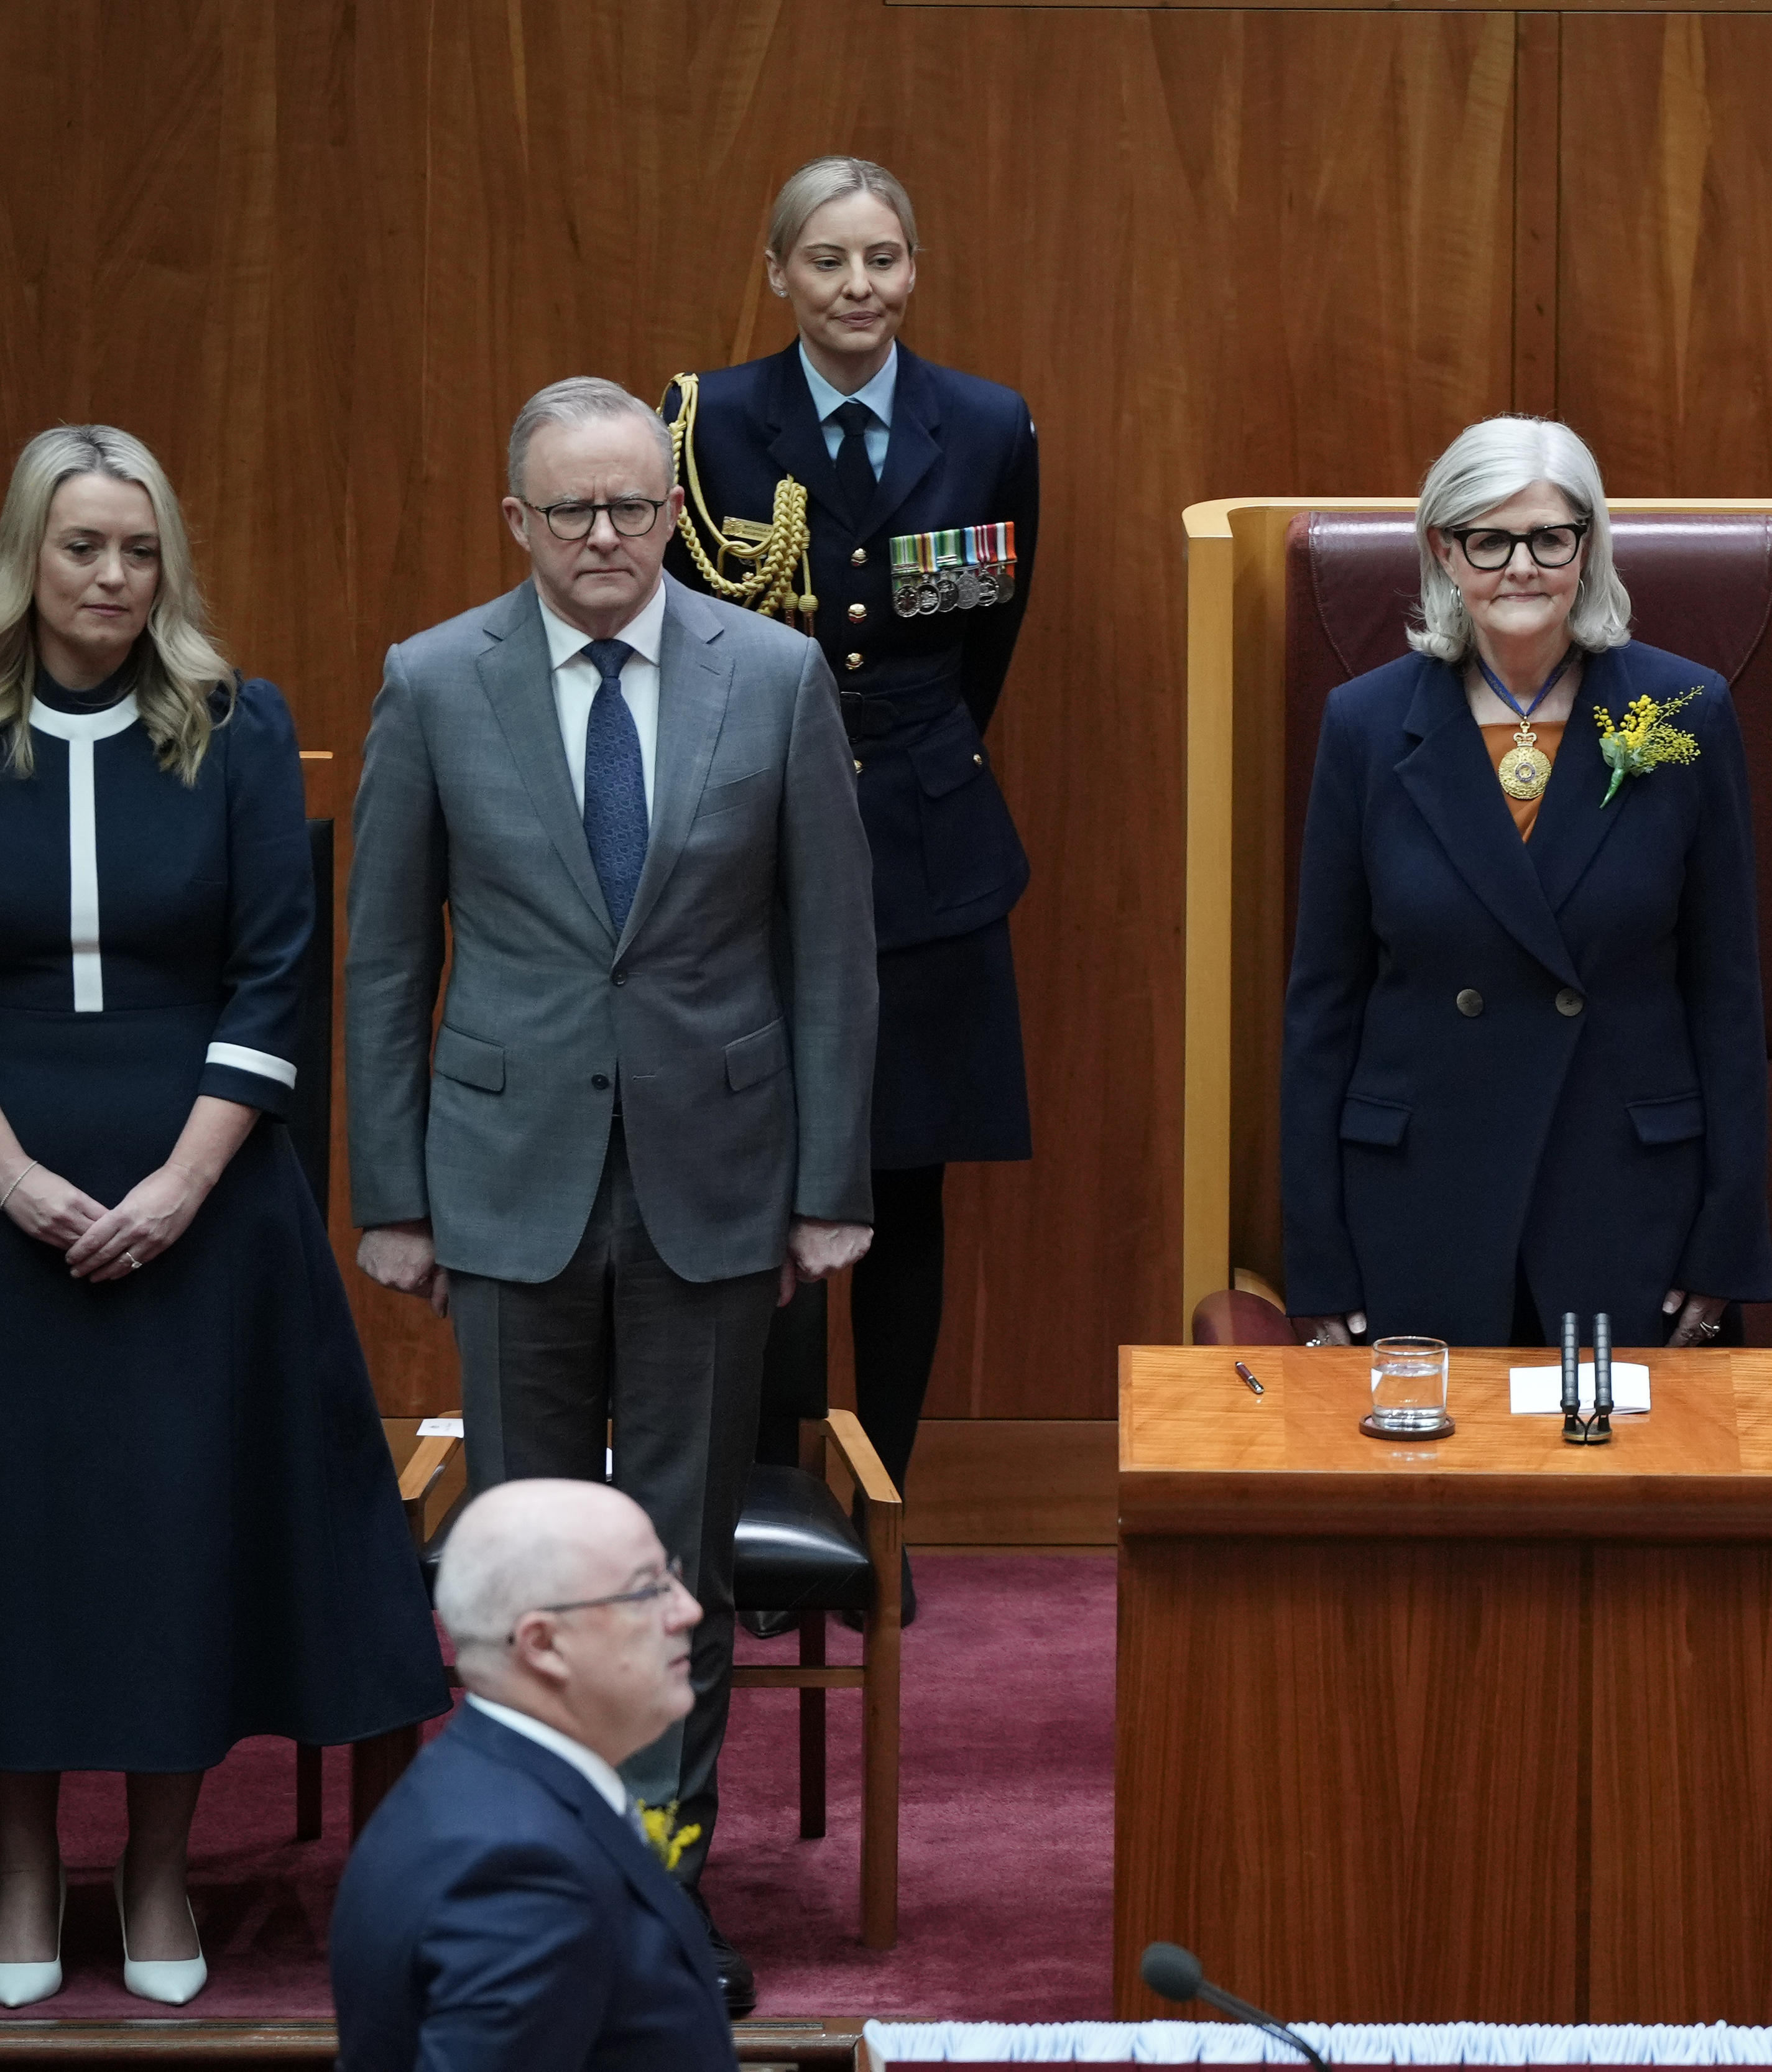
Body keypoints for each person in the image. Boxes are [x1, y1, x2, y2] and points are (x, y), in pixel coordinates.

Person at [344, 376, 880, 2014]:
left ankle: (656, 1885)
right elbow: (380, 957)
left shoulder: (776, 674)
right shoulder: (435, 681)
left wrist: (829, 1183)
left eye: (633, 507)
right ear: (516, 520)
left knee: (676, 1571)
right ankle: (536, 1877)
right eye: (570, 510)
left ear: (675, 508)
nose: (603, 537)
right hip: (505, 1188)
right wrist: (393, 1187)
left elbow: (831, 948)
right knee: (524, 1571)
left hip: (716, 1186)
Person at [0, 425, 448, 2011]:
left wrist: (181, 1187)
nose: (113, 578)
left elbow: (276, 970)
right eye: (83, 549)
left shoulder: (236, 724)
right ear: (28, 560)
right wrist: (14, 1177)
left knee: (183, 1532)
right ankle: (28, 1867)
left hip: (209, 1204)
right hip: (7, 1197)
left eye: (139, 551)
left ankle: (169, 1861)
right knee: (29, 1538)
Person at [663, 156, 1037, 1629]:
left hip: (930, 844)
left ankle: (885, 1517)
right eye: (827, 261)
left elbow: (990, 637)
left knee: (902, 1187)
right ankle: (766, 1520)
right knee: (762, 1190)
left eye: (884, 258)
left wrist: (916, 767)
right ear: (777, 274)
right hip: (755, 836)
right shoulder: (701, 423)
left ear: (915, 267)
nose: (859, 288)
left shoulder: (991, 425)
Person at [1280, 415, 1772, 1350]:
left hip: (1625, 1205)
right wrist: (1319, 1257)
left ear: (1588, 549)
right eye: (1489, 538)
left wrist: (1726, 1242)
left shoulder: (1682, 711)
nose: (1522, 566)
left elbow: (1728, 996)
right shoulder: (1366, 725)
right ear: (1444, 552)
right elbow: (1322, 1007)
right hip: (1419, 1203)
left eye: (1551, 536)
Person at [331, 1480, 735, 2072]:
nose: (688, 1609)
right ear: (543, 1643)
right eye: (648, 1588)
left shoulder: (482, 1777)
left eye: (671, 1574)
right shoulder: (521, 1873)